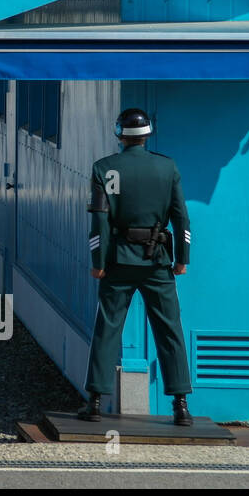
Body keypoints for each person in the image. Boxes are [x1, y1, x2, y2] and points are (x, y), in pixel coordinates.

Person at [80, 108, 193, 426]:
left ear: (119, 135)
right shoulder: (167, 167)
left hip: (117, 261)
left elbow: (99, 221)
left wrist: (97, 261)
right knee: (169, 329)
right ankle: (180, 405)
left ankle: (96, 402)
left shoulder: (104, 168)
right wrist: (182, 257)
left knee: (108, 328)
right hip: (157, 261)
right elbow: (181, 217)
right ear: (147, 134)